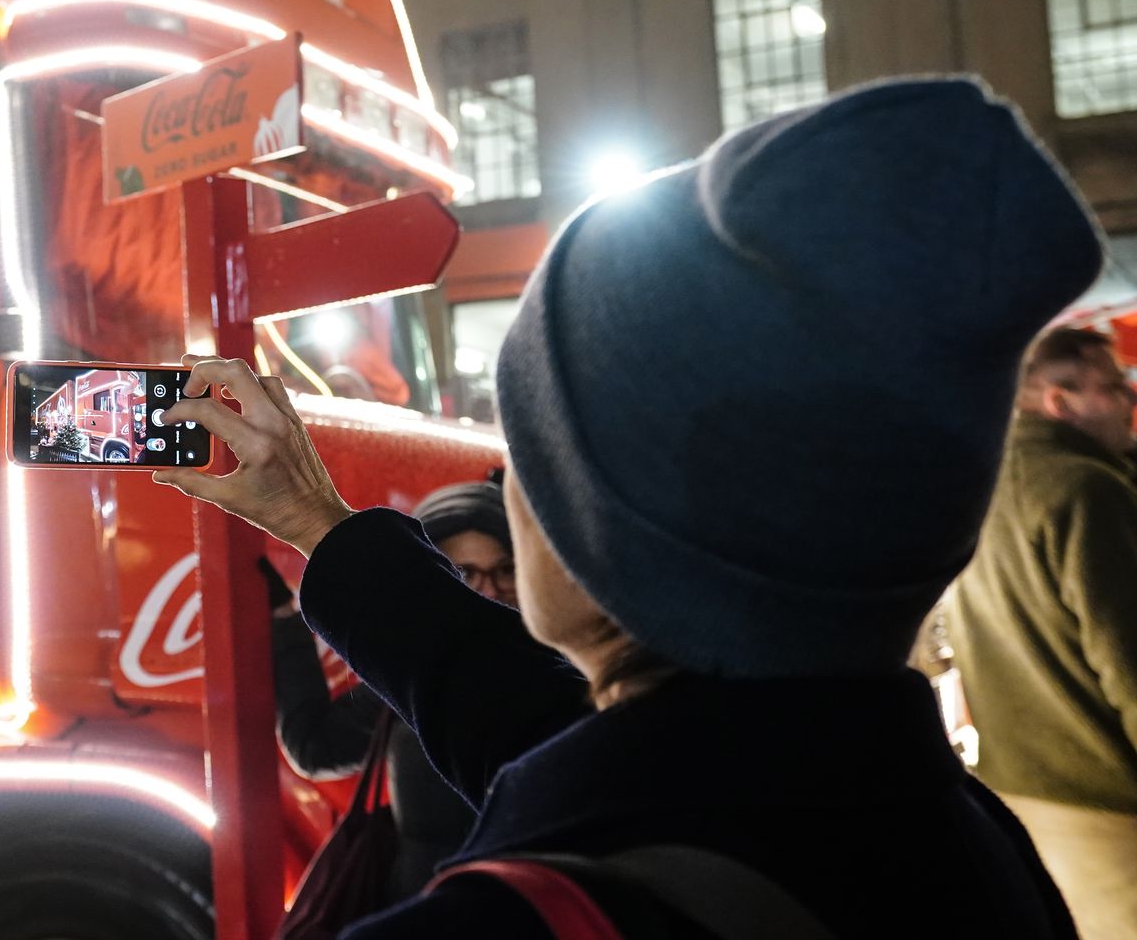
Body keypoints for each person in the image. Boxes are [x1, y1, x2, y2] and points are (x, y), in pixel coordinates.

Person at [156, 77, 1097, 938]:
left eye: (527, 452)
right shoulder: (960, 836)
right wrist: (317, 522)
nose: (507, 483)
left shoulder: (526, 921)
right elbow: (522, 712)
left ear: (610, 529)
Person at [268, 478, 585, 898]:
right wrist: (287, 624)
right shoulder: (416, 682)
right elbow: (316, 746)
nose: (489, 589)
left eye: (505, 569)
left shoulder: (576, 684)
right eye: (462, 573)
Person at [947, 325, 1137, 940]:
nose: (1131, 398)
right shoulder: (1086, 488)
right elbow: (1129, 660)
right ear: (1059, 402)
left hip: (1021, 797)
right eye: (1111, 386)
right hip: (1111, 804)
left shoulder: (977, 489)